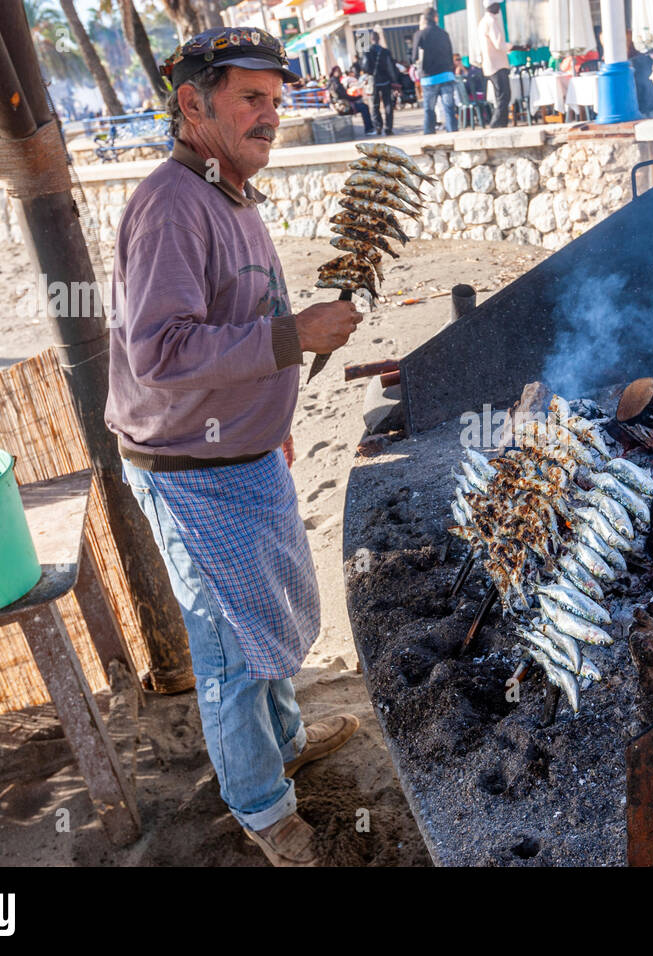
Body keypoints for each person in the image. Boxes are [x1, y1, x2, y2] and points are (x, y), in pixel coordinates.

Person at [108, 27, 364, 867]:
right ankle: (262, 809)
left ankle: (283, 743)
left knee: (272, 621)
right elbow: (162, 352)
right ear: (193, 105)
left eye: (276, 101)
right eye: (250, 100)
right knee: (226, 650)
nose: (271, 117)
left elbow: (240, 325)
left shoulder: (232, 195)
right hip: (188, 474)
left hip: (244, 455)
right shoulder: (172, 204)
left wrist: (274, 419)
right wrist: (295, 337)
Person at [413, 7, 458, 133]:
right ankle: (452, 133)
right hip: (446, 75)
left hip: (429, 78)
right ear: (435, 18)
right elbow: (450, 54)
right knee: (449, 107)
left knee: (429, 109)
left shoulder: (419, 34)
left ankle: (429, 134)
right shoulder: (444, 33)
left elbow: (414, 56)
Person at [361, 30, 402, 135]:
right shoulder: (385, 52)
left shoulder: (367, 52)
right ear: (379, 39)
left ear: (371, 39)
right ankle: (388, 128)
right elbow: (391, 67)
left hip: (373, 81)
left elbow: (365, 67)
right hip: (386, 81)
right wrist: (394, 81)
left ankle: (378, 126)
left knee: (375, 105)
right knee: (388, 104)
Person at [477, 2, 512, 127]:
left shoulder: (483, 22)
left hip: (490, 64)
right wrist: (514, 46)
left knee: (501, 96)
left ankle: (501, 123)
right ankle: (496, 123)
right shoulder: (491, 22)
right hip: (497, 64)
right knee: (504, 96)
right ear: (491, 6)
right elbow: (499, 44)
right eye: (497, 5)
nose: (499, 8)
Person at [328, 64, 373, 135]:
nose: (338, 73)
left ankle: (370, 128)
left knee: (363, 106)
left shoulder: (331, 82)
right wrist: (357, 97)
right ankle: (369, 129)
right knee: (364, 107)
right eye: (337, 71)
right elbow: (344, 96)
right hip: (343, 106)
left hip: (338, 105)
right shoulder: (336, 83)